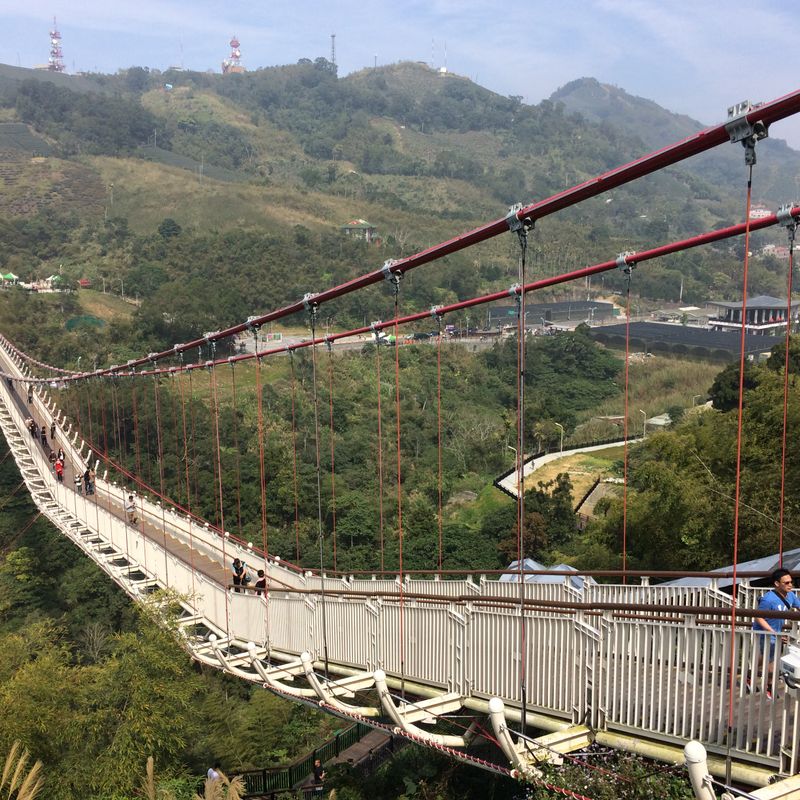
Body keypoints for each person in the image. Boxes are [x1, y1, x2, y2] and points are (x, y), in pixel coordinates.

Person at [752, 568, 800, 697]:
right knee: (772, 658)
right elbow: (758, 617)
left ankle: (750, 674)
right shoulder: (768, 599)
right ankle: (769, 687)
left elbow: (799, 606)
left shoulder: (790, 595)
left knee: (766, 656)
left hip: (776, 630)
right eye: (786, 583)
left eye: (791, 582)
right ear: (777, 584)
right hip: (764, 631)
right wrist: (773, 632)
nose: (790, 585)